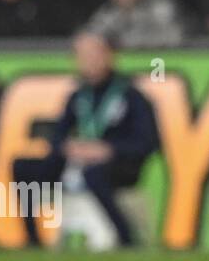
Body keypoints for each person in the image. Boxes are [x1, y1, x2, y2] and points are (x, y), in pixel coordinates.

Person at [12, 31, 159, 247]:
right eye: (82, 55)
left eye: (94, 53)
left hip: (118, 166)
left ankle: (126, 239)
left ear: (109, 56)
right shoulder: (79, 96)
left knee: (95, 173)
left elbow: (148, 142)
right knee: (23, 168)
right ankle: (33, 240)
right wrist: (68, 147)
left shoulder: (131, 95)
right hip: (79, 162)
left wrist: (108, 149)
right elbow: (58, 136)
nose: (89, 60)